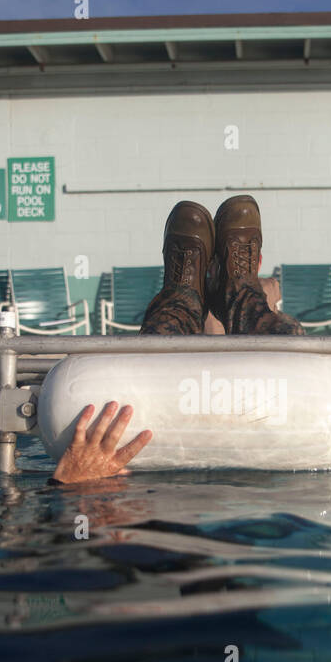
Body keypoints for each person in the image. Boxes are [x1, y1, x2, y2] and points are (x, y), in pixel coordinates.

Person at [50, 195, 304, 483]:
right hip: (263, 507)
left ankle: (185, 294)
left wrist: (71, 482)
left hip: (154, 502)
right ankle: (238, 293)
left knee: (166, 328)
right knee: (286, 336)